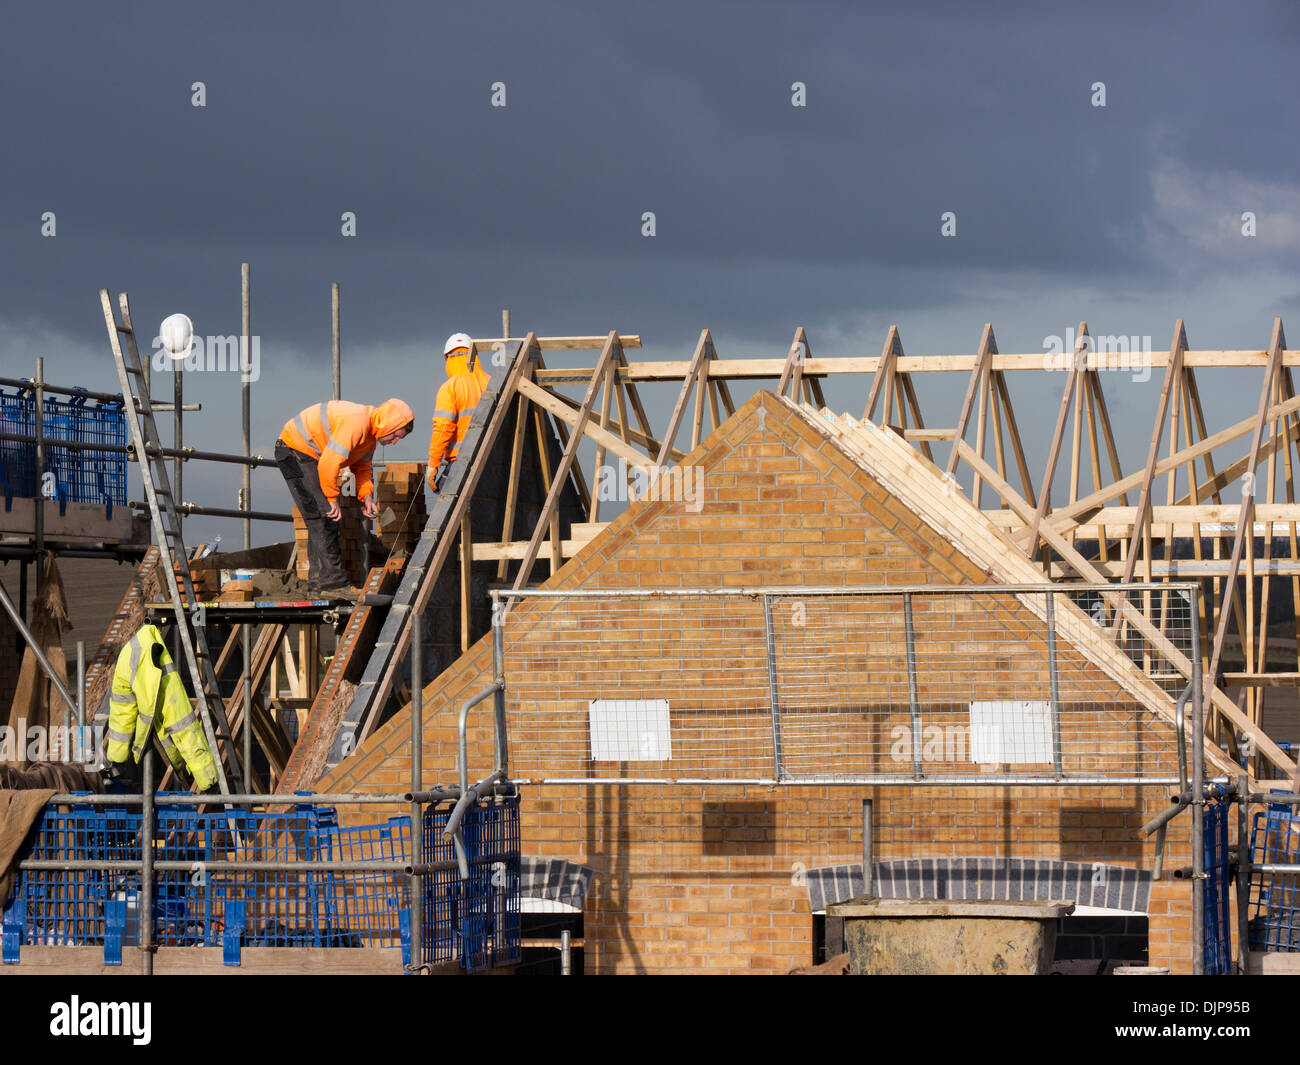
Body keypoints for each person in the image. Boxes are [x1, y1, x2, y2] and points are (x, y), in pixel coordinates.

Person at [276, 398, 414, 598]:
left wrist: (366, 496)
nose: (394, 442)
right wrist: (332, 499)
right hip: (294, 450)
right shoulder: (357, 423)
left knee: (321, 519)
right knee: (324, 516)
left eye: (398, 439)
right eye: (395, 435)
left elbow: (363, 468)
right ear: (389, 424)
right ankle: (332, 585)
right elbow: (328, 464)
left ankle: (318, 586)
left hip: (308, 454)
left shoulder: (369, 438)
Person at [104, 623, 219, 793]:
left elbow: (121, 712)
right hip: (154, 736)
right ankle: (206, 778)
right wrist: (207, 779)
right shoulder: (148, 661)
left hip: (126, 757)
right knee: (180, 720)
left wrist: (117, 758)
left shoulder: (128, 655)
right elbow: (181, 723)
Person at [428, 332, 490, 492]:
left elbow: (442, 428)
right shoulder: (492, 383)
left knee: (449, 507)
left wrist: (433, 465)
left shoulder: (450, 387)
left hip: (462, 462)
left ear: (448, 358)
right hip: (494, 460)